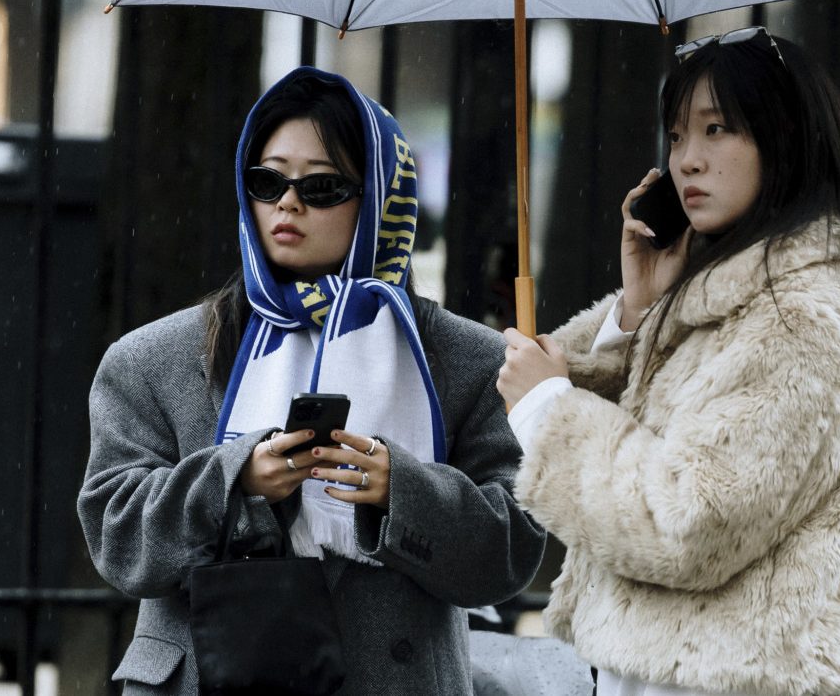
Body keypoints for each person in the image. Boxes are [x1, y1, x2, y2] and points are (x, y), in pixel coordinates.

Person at [79, 67, 545, 696]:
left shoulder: (471, 362)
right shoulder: (152, 359)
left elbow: (510, 552)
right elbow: (118, 538)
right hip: (210, 677)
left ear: (379, 194)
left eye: (322, 186)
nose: (287, 203)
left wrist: (398, 490)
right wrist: (235, 483)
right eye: (266, 181)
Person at [498, 28, 840, 696]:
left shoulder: (798, 318)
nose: (687, 160)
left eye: (716, 131)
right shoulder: (729, 294)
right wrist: (636, 309)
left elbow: (687, 526)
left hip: (737, 683)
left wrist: (550, 413)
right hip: (674, 674)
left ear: (784, 140)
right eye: (677, 135)